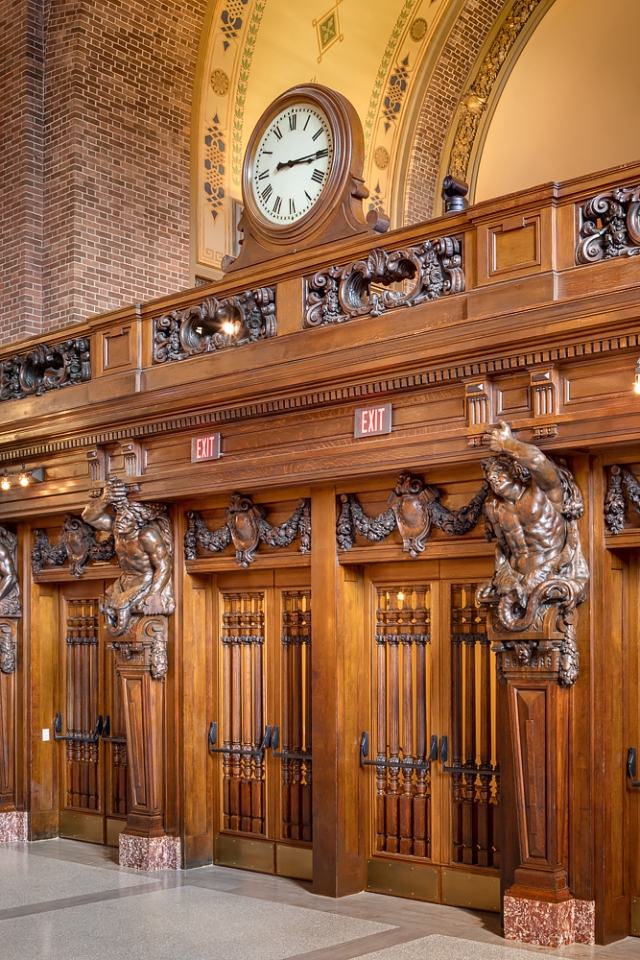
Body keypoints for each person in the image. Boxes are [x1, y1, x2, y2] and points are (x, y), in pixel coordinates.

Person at [479, 421, 588, 630]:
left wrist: (507, 444)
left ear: (514, 471)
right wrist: (499, 578)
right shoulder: (494, 507)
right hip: (516, 581)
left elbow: (538, 461)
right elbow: (502, 547)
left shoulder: (542, 492)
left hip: (552, 575)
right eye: (490, 475)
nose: (493, 477)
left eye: (499, 471)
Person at [82, 478, 174, 635]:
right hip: (123, 582)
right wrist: (105, 499)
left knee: (126, 619)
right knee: (105, 608)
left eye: (126, 519)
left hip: (144, 582)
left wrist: (154, 594)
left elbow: (164, 565)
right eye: (119, 517)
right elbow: (89, 517)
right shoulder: (117, 529)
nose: (120, 522)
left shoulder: (146, 535)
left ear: (137, 523)